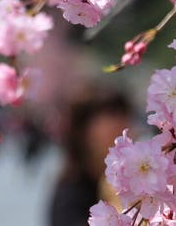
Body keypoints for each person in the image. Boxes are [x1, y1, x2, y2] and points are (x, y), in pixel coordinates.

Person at [47, 91, 133, 226]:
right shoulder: (71, 194)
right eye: (112, 132)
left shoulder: (131, 180)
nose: (122, 138)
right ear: (85, 133)